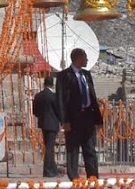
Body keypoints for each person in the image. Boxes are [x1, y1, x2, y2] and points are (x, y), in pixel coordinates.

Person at [57, 48, 102, 181]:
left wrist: (98, 119)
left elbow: (92, 96)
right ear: (77, 58)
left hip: (88, 117)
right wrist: (64, 120)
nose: (87, 60)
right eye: (85, 57)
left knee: (90, 148)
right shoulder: (64, 75)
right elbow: (60, 98)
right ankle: (74, 177)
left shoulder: (87, 75)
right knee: (73, 149)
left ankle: (93, 176)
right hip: (73, 118)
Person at [32, 74, 63, 177]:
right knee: (50, 147)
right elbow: (59, 111)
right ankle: (48, 170)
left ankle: (52, 169)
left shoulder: (38, 96)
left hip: (43, 123)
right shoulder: (53, 96)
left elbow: (35, 111)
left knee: (48, 146)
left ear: (44, 83)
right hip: (52, 124)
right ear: (52, 84)